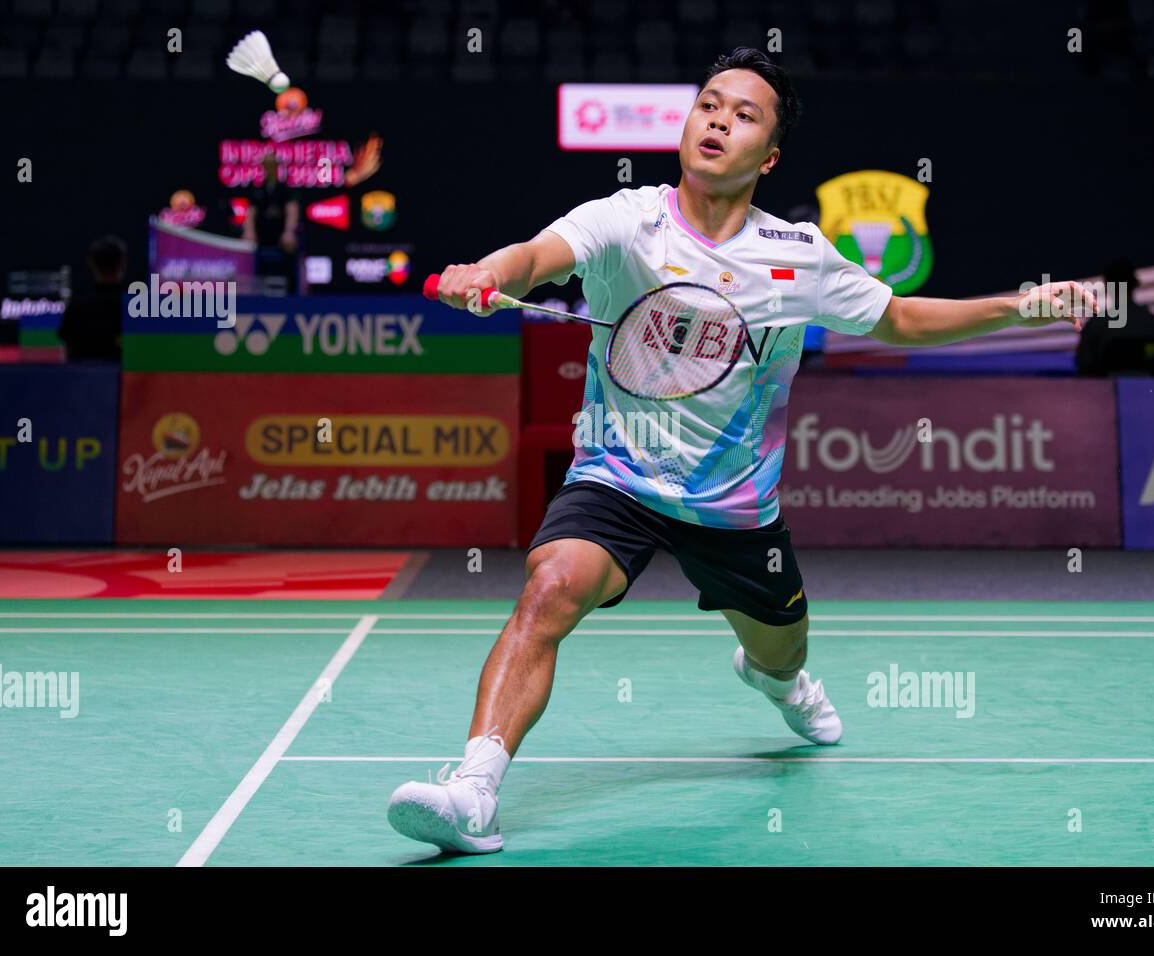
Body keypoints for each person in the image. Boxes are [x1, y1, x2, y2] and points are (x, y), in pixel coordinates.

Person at [388, 47, 1093, 854]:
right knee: (549, 588)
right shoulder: (629, 219)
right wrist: (485, 273)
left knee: (780, 647)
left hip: (733, 510)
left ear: (771, 154)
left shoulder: (796, 255)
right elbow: (537, 257)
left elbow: (899, 318)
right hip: (619, 478)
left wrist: (1017, 308)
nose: (718, 119)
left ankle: (776, 679)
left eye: (744, 113)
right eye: (709, 104)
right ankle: (473, 791)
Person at [1076, 257, 1154, 376]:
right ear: (1135, 284)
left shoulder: (1095, 327)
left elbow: (1085, 370)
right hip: (1148, 393)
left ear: (1106, 286)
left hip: (1104, 393)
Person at [56, 235, 127, 361]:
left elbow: (67, 353)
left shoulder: (76, 308)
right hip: (126, 380)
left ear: (92, 263)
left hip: (82, 380)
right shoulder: (136, 308)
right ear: (123, 263)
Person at [242, 151, 300, 293]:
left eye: (271, 165)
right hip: (262, 236)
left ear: (276, 167)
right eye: (266, 165)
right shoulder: (258, 189)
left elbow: (292, 211)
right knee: (247, 246)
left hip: (281, 236)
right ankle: (255, 292)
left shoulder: (285, 189)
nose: (269, 168)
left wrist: (289, 232)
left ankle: (290, 293)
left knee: (291, 245)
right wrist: (249, 231)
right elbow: (250, 214)